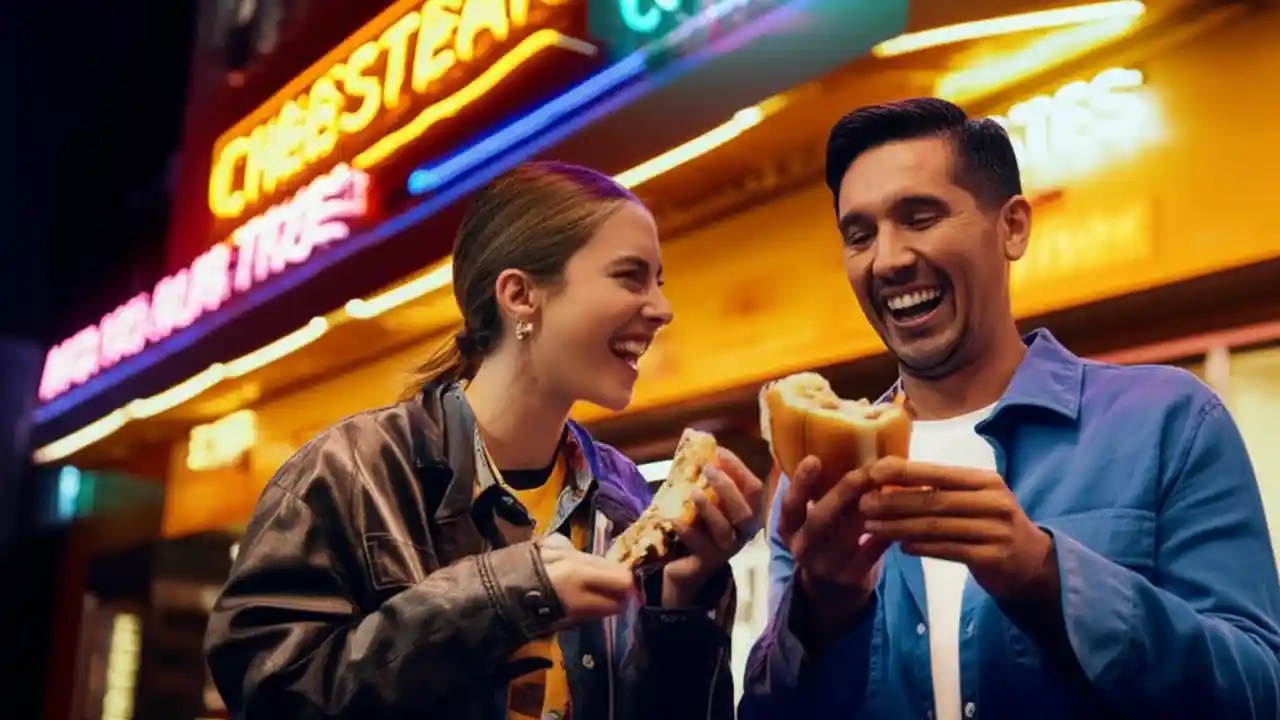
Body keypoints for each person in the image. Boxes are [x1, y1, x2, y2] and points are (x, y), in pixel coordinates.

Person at [738, 97, 1280, 719]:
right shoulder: (817, 480)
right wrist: (821, 612)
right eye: (859, 235)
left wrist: (1048, 578)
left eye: (920, 217)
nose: (886, 259)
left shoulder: (1170, 422)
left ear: (1013, 227)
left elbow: (1258, 691)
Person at [205, 161, 765, 719]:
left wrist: (684, 608)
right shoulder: (347, 473)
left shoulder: (626, 496)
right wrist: (507, 593)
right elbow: (270, 693)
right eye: (630, 276)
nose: (662, 309)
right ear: (520, 295)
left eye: (658, 282)